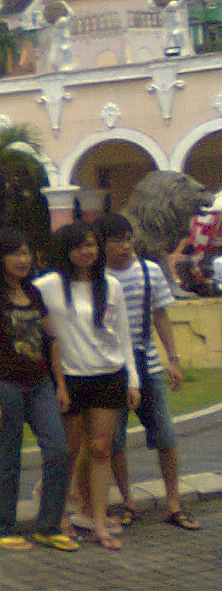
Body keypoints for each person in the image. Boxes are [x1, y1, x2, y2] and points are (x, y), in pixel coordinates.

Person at [32, 222, 139, 550]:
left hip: (108, 375)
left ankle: (97, 518)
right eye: (79, 246)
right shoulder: (48, 285)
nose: (87, 251)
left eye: (91, 245)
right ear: (65, 251)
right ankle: (59, 513)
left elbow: (123, 334)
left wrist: (132, 379)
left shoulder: (110, 285)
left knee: (101, 449)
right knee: (68, 450)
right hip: (70, 379)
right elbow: (12, 291)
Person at [0, 231, 78, 552]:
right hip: (5, 386)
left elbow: (50, 339)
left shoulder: (32, 291)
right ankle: (1, 528)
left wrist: (59, 383)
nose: (22, 260)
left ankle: (49, 525)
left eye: (26, 253)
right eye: (15, 254)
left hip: (40, 383)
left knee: (59, 450)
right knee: (9, 457)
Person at [98, 214, 198, 532]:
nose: (126, 246)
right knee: (114, 442)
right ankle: (128, 501)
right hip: (110, 367)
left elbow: (161, 316)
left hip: (147, 362)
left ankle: (173, 502)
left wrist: (174, 358)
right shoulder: (95, 278)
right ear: (103, 245)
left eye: (129, 239)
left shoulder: (148, 271)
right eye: (118, 240)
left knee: (165, 436)